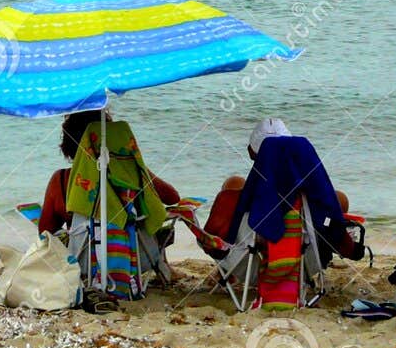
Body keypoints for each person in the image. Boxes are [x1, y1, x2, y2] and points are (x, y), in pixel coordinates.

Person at [201, 117, 364, 263]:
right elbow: (343, 245)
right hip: (303, 266)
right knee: (339, 198)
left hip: (246, 267)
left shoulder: (228, 200)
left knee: (234, 182)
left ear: (251, 153)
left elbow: (212, 247)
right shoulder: (320, 203)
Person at [37, 109, 180, 234]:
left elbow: (46, 232)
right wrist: (137, 167)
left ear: (69, 144)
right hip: (135, 257)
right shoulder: (133, 175)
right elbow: (173, 198)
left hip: (84, 258)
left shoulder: (61, 180)